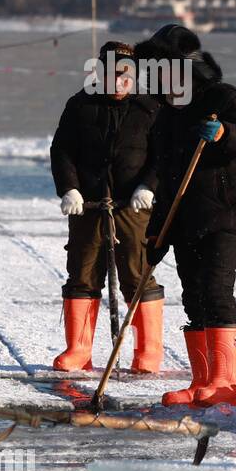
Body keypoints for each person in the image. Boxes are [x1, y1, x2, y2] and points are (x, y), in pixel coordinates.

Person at [135, 24, 236, 407]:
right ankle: (201, 382)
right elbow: (164, 175)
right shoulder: (164, 115)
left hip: (225, 213)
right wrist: (157, 235)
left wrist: (225, 133)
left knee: (216, 289)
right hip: (183, 218)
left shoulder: (222, 98)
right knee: (193, 297)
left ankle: (224, 383)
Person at [49, 40, 164, 373]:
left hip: (134, 206)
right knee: (82, 274)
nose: (121, 81)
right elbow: (62, 151)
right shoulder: (80, 105)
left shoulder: (149, 108)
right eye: (115, 74)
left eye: (127, 75)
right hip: (87, 205)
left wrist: (149, 186)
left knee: (137, 273)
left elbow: (163, 156)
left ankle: (148, 351)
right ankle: (78, 350)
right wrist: (69, 189)